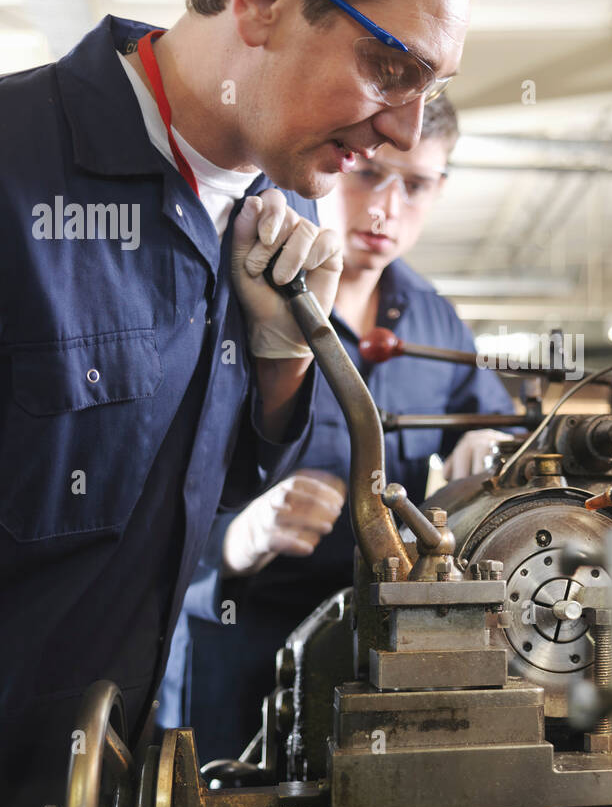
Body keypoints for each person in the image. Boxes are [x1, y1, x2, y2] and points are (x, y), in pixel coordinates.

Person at [0, 0, 502, 807]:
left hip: (109, 786)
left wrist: (279, 366)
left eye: (433, 89)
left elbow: (184, 498)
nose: (404, 127)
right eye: (390, 66)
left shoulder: (281, 220)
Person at [159, 95, 515, 762]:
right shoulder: (238, 290)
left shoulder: (436, 322)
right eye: (369, 175)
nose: (386, 208)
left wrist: (491, 455)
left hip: (371, 651)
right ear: (335, 163)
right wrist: (234, 538)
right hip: (238, 638)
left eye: (415, 185)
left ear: (440, 190)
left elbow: (496, 432)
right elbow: (152, 471)